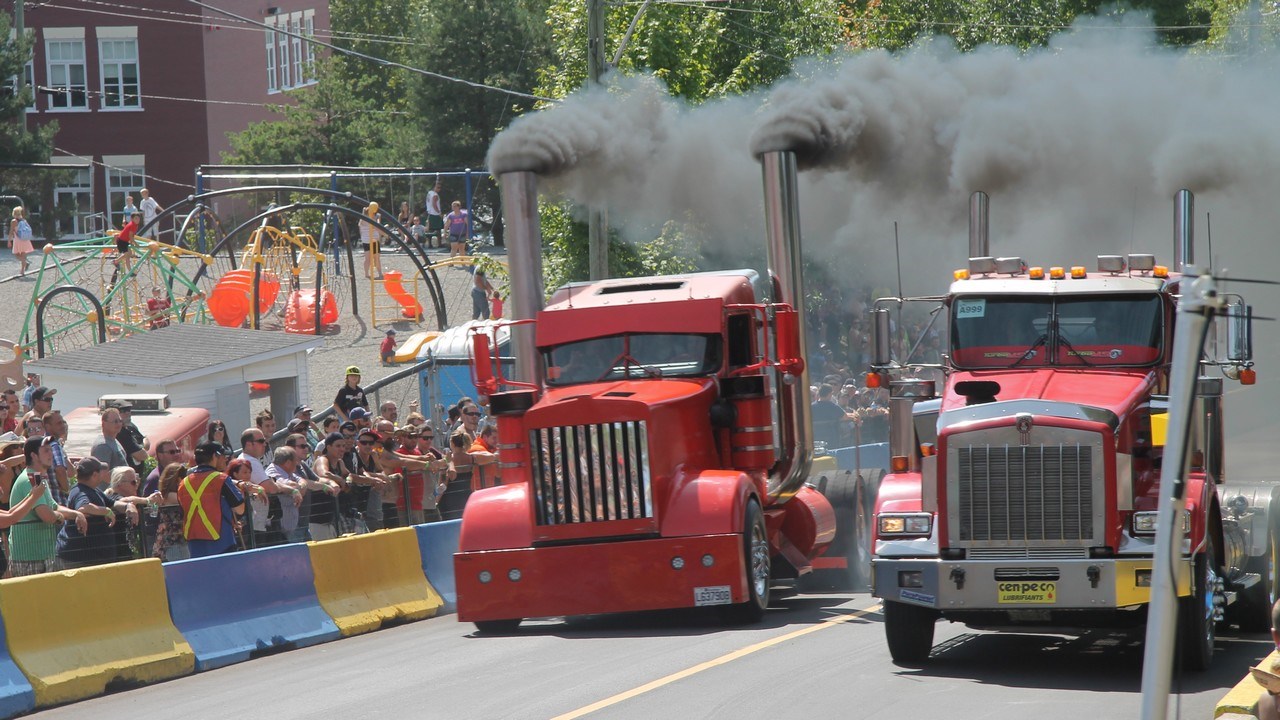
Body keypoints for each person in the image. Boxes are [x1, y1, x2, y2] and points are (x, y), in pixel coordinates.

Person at [9, 436, 87, 576]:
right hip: (29, 558)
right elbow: (47, 515)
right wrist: (59, 517)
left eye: (51, 450)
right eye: (46, 451)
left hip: (41, 555)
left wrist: (76, 514)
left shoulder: (38, 477)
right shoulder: (30, 480)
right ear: (33, 455)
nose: (51, 454)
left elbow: (53, 506)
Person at [56, 457, 140, 568]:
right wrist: (106, 511)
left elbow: (113, 503)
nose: (104, 473)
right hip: (79, 559)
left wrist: (128, 506)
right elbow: (83, 507)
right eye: (101, 470)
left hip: (93, 559)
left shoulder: (93, 489)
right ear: (95, 474)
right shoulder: (80, 492)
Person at [178, 442, 245, 557]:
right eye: (223, 455)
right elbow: (240, 509)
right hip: (222, 542)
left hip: (195, 544)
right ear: (215, 456)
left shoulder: (184, 483)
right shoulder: (221, 479)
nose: (226, 459)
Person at [310, 432, 350, 540]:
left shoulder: (340, 463)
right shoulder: (322, 460)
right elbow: (323, 473)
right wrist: (339, 479)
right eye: (338, 446)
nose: (342, 449)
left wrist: (347, 480)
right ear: (328, 447)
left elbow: (348, 479)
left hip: (333, 518)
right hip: (318, 519)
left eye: (343, 446)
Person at [151, 463, 189, 561]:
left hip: (170, 541)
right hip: (174, 542)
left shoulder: (165, 495)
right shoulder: (171, 496)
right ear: (178, 479)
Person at [9, 206, 34, 276]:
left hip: (18, 239)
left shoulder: (14, 221)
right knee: (23, 254)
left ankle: (26, 263)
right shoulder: (24, 220)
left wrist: (9, 241)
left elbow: (11, 231)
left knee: (16, 254)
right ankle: (22, 271)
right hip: (25, 239)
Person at [425, 180, 444, 248]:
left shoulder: (429, 193)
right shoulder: (435, 195)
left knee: (430, 229)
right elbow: (434, 204)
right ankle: (439, 244)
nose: (439, 189)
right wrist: (439, 212)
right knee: (438, 229)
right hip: (435, 214)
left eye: (439, 187)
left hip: (429, 213)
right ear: (434, 187)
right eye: (437, 187)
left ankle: (430, 244)